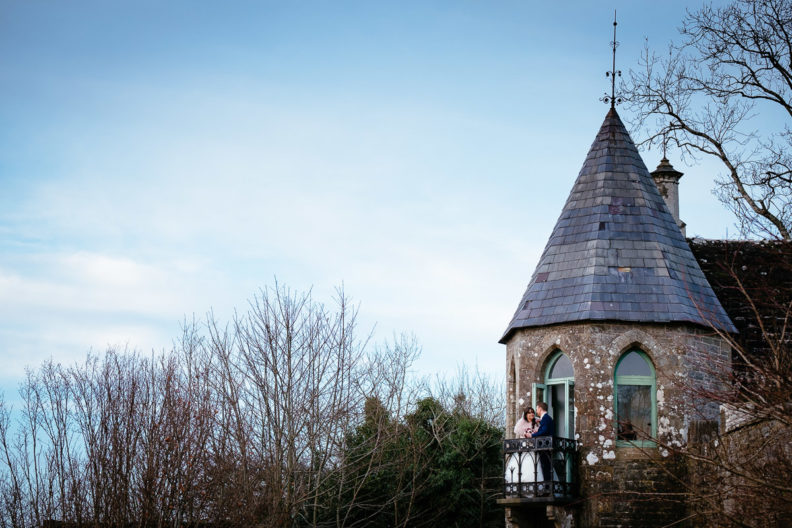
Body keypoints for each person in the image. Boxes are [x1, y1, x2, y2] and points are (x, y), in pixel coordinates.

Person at [505, 407, 544, 485]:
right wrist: (525, 434)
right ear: (526, 415)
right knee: (523, 463)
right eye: (529, 413)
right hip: (524, 445)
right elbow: (516, 430)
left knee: (535, 464)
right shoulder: (522, 422)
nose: (531, 414)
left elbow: (540, 429)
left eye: (532, 412)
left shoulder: (536, 421)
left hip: (534, 445)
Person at [533, 402, 554, 488]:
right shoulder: (546, 418)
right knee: (546, 466)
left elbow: (544, 431)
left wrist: (533, 435)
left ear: (540, 408)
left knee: (545, 466)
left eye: (537, 409)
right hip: (546, 445)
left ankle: (547, 487)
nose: (536, 411)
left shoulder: (545, 418)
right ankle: (547, 486)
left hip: (545, 446)